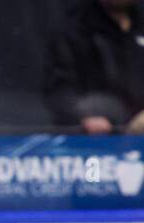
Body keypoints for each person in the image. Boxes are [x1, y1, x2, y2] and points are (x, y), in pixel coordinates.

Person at [45, 0, 144, 135]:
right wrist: (84, 118)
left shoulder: (139, 22)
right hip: (96, 137)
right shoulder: (75, 27)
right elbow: (59, 88)